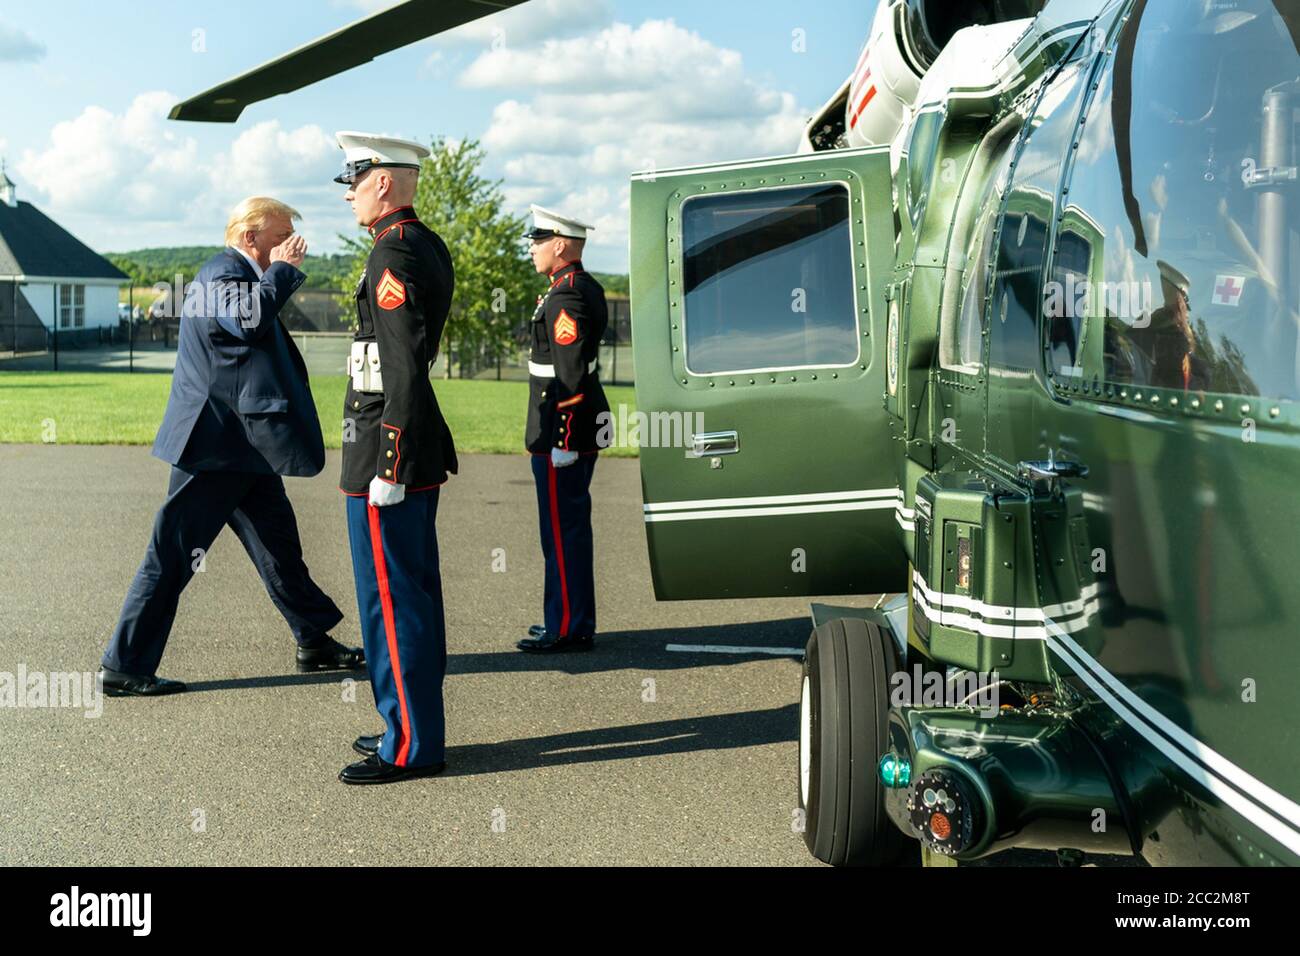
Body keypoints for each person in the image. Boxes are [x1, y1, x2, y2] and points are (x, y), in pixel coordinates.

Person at [99, 197, 360, 696]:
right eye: (281, 237)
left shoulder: (236, 273)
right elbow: (247, 320)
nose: (291, 246)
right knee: (173, 552)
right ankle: (123, 665)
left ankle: (313, 638)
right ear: (249, 237)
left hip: (244, 447)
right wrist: (281, 272)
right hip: (215, 447)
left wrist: (277, 269)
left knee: (278, 547)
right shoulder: (222, 274)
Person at [332, 132, 458, 785]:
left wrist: (390, 460)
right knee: (408, 594)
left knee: (392, 599)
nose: (347, 192)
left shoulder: (393, 253)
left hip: (387, 447)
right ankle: (404, 722)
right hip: (396, 442)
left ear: (382, 181)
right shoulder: (420, 244)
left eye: (353, 179)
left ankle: (410, 743)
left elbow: (403, 365)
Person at [516, 205, 609, 654]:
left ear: (561, 244)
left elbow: (569, 376)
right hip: (566, 429)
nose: (532, 249)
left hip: (562, 433)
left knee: (562, 531)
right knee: (563, 529)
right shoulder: (574, 287)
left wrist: (564, 441)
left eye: (538, 241)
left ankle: (569, 627)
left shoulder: (566, 295)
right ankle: (567, 618)